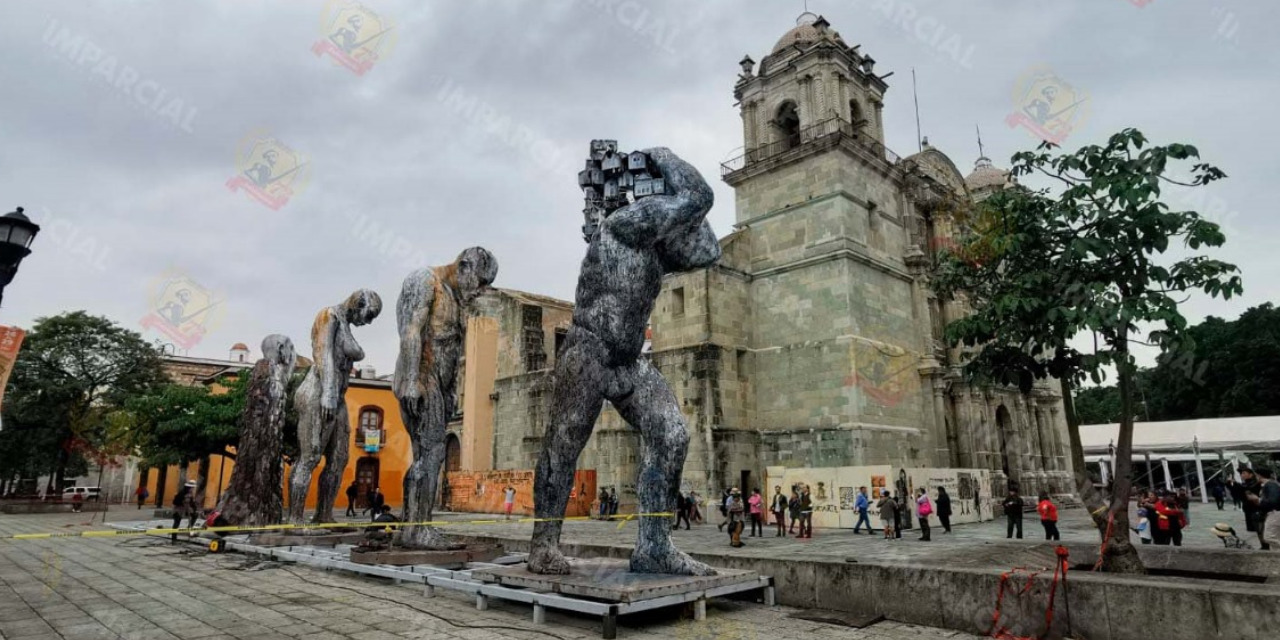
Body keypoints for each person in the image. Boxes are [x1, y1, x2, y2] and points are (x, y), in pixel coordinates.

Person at [1247, 467, 1280, 550]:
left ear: (1259, 476)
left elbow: (1273, 501)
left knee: (1269, 537)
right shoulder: (1269, 485)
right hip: (1273, 513)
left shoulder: (1271, 485)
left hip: (1274, 513)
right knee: (1275, 537)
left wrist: (1258, 500)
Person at [1240, 467, 1265, 549]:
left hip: (1256, 509)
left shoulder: (1256, 484)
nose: (1242, 475)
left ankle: (1265, 545)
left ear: (1251, 474)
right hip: (1249, 509)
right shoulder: (1245, 484)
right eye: (1241, 473)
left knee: (1260, 528)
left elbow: (1250, 490)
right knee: (1257, 529)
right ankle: (1263, 545)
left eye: (1244, 473)